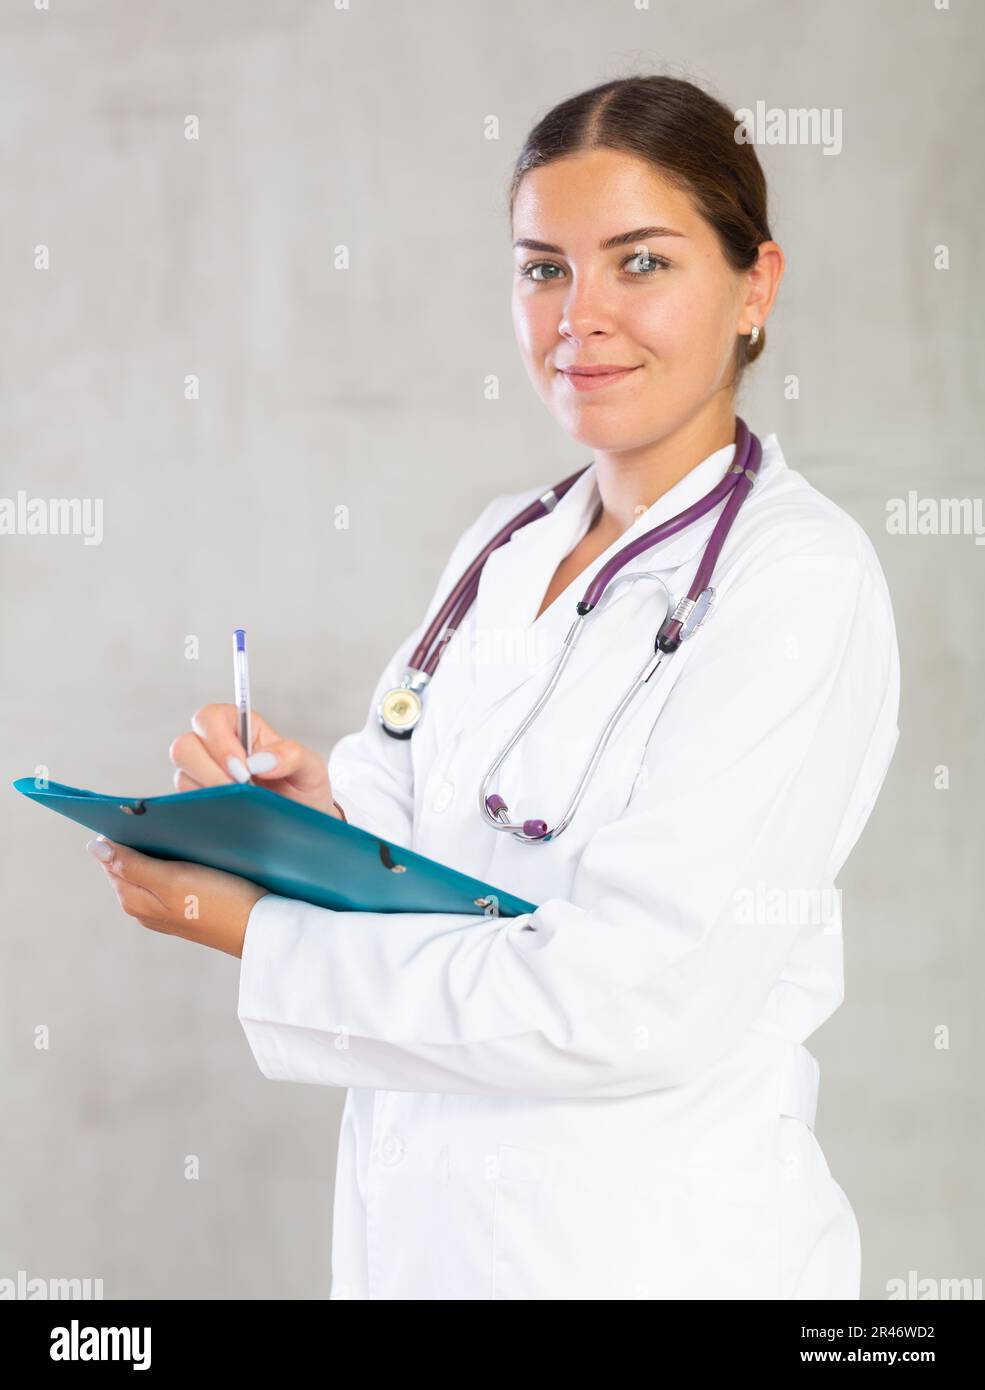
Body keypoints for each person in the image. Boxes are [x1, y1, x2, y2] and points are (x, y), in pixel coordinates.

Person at [88, 74, 900, 1300]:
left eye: (639, 263)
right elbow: (424, 840)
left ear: (755, 286)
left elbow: (624, 1000)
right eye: (541, 269)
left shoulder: (801, 582)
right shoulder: (502, 547)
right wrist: (312, 820)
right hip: (428, 1248)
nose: (580, 316)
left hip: (659, 1260)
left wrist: (257, 933)